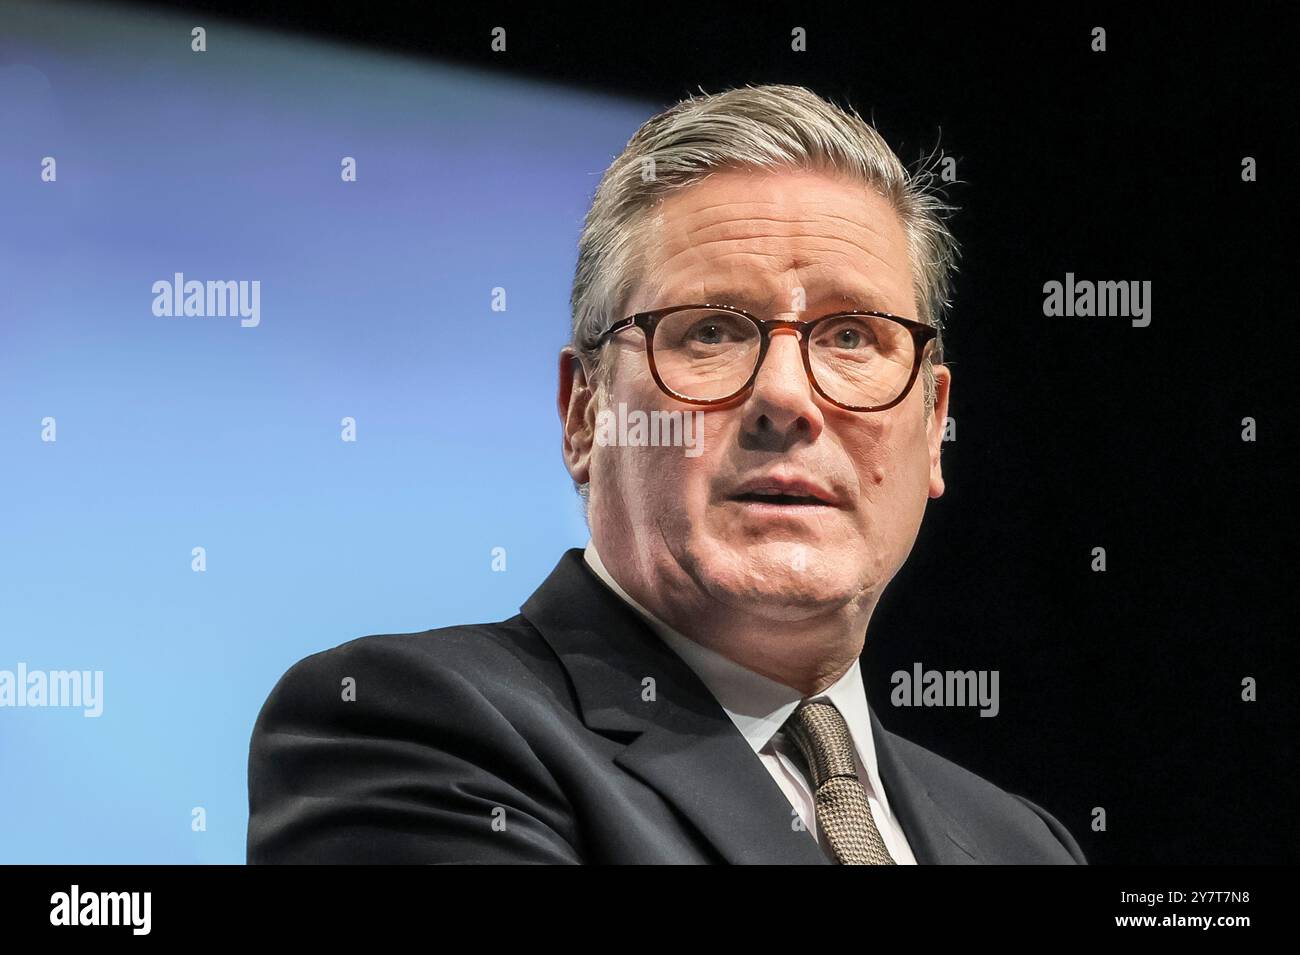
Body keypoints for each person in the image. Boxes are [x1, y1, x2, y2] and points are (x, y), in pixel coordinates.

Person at [247, 83, 1086, 864]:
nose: (787, 398)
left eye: (852, 336)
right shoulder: (411, 730)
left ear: (935, 426)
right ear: (585, 413)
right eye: (711, 331)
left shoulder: (1023, 844)